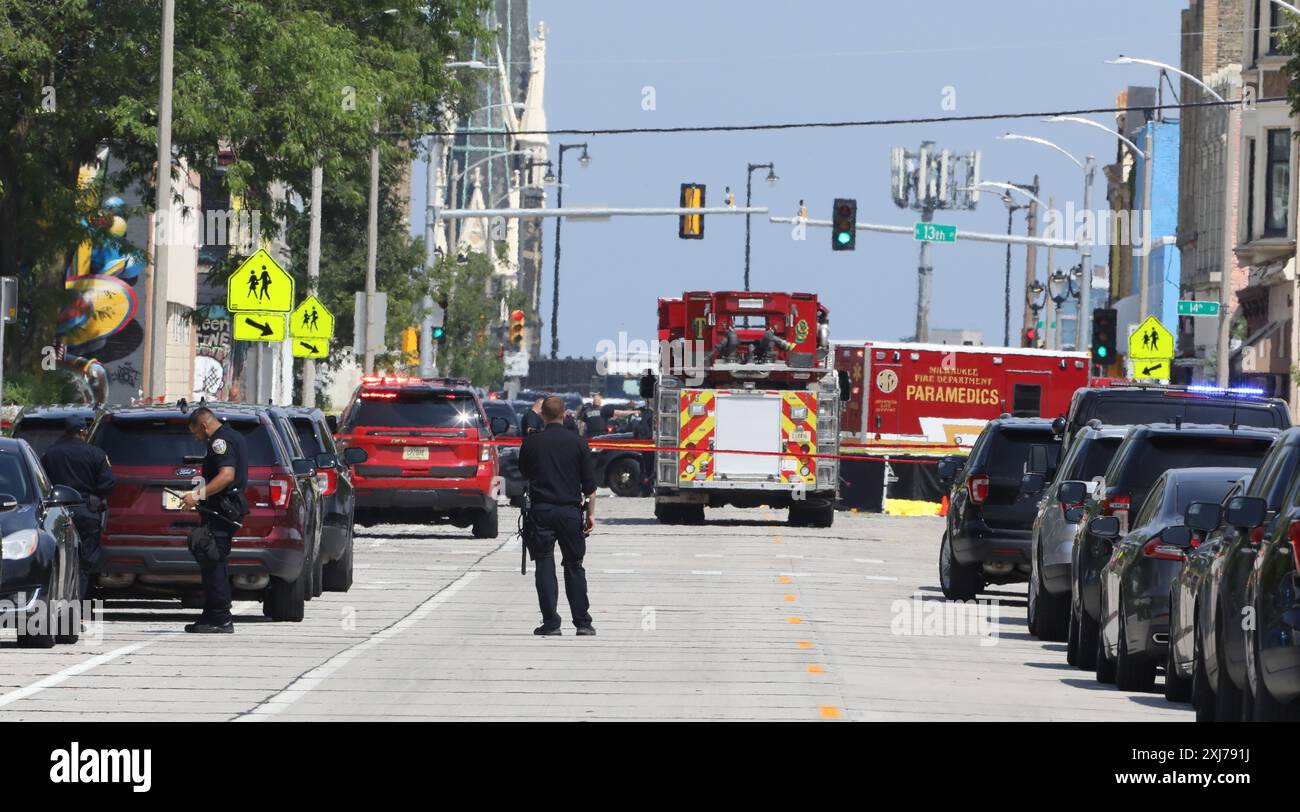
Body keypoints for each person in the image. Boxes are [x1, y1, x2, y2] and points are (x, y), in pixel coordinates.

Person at [518, 396, 597, 636]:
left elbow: (524, 472)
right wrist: (591, 515)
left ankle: (551, 622)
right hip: (570, 512)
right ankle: (582, 623)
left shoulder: (531, 443)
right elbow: (590, 487)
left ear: (542, 415)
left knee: (544, 565)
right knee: (574, 566)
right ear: (565, 414)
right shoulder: (578, 443)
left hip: (541, 511)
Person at [180, 407, 249, 634]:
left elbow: (226, 475)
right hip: (218, 509)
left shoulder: (221, 441)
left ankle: (220, 617)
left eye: (196, 434)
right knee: (210, 560)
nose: (198, 438)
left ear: (203, 426)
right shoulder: (232, 435)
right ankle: (211, 614)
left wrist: (198, 495)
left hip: (221, 510)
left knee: (214, 560)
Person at [41, 416, 115, 602]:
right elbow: (107, 485)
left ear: (65, 431)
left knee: (58, 562)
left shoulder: (49, 454)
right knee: (83, 563)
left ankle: (58, 606)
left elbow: (42, 484)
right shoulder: (96, 454)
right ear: (83, 432)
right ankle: (76, 608)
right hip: (87, 513)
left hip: (57, 514)